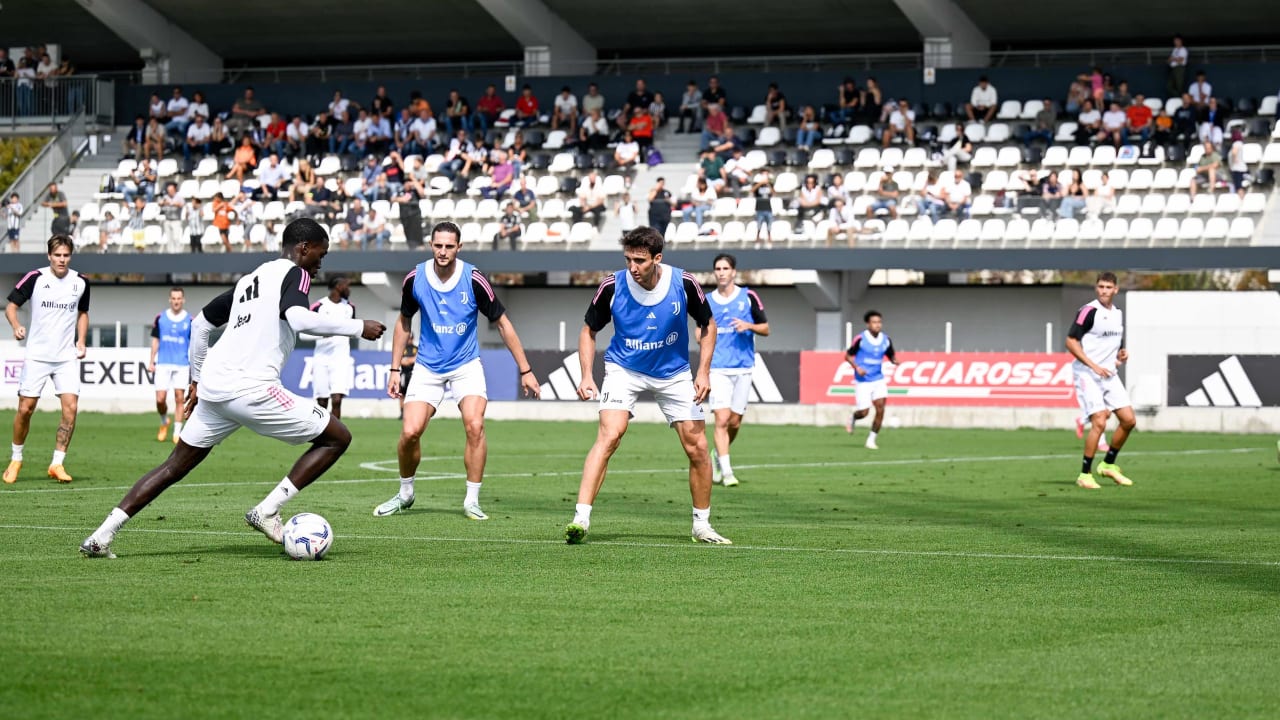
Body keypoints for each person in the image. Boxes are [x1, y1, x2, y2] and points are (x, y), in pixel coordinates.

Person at [79, 219, 387, 558]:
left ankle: (101, 536)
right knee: (337, 437)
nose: (320, 263)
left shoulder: (249, 281)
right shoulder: (294, 274)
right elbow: (299, 319)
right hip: (253, 389)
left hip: (214, 389)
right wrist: (358, 326)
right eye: (320, 253)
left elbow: (199, 326)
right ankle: (267, 510)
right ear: (303, 248)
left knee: (172, 467)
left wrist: (195, 380)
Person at [565, 227, 730, 545]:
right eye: (627, 259)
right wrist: (586, 374)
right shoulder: (612, 285)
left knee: (696, 448)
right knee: (610, 435)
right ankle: (580, 519)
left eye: (639, 260)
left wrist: (704, 372)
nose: (632, 267)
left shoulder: (684, 282)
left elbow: (707, 325)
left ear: (657, 258)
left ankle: (701, 525)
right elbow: (589, 330)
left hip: (674, 372)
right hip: (623, 369)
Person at [377, 222, 540, 520]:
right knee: (410, 432)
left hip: (466, 365)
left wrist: (525, 369)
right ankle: (405, 493)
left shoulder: (474, 278)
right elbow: (404, 322)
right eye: (438, 245)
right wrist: (394, 368)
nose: (443, 251)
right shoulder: (415, 278)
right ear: (431, 244)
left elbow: (502, 323)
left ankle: (472, 500)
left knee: (475, 426)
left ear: (459, 247)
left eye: (449, 246)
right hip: (427, 366)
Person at [4, 235, 90, 485]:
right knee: (25, 409)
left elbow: (83, 314)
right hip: (37, 356)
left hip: (65, 358)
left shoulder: (81, 282)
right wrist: (17, 325)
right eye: (57, 255)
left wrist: (81, 340)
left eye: (66, 255)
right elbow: (11, 306)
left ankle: (57, 463)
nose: (62, 260)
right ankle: (17, 457)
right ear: (49, 256)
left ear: (70, 256)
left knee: (71, 409)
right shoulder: (36, 278)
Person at [1066, 272, 1136, 490]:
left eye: (1108, 287)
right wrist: (1092, 365)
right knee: (1099, 420)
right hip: (1087, 374)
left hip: (1108, 374)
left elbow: (1116, 341)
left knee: (1129, 420)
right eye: (1101, 287)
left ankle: (1108, 465)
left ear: (1115, 290)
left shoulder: (1117, 314)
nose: (1104, 291)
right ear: (1097, 288)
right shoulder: (1088, 311)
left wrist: (1121, 355)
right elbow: (1071, 341)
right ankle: (1084, 474)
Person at [706, 254, 768, 488]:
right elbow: (701, 328)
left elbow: (766, 328)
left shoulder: (748, 296)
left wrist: (748, 326)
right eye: (718, 268)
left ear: (733, 272)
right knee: (721, 419)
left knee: (734, 422)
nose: (721, 272)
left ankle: (718, 455)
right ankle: (727, 470)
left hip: (743, 367)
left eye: (725, 268)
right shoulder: (707, 300)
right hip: (717, 368)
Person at [843, 310, 897, 450]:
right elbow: (848, 356)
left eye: (879, 322)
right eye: (874, 322)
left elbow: (890, 354)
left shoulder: (886, 340)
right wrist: (857, 367)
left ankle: (871, 440)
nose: (877, 325)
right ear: (868, 324)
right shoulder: (860, 339)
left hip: (878, 379)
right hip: (863, 380)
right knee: (864, 412)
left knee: (880, 409)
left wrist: (894, 360)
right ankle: (854, 417)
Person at [306, 277, 355, 419]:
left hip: (341, 359)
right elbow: (303, 334)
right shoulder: (318, 306)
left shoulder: (350, 308)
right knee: (322, 401)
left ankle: (336, 438)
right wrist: (322, 335)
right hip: (321, 359)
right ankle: (322, 434)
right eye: (347, 285)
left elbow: (352, 331)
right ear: (339, 286)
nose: (349, 289)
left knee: (337, 399)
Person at [149, 287, 192, 444]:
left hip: (181, 363)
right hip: (163, 363)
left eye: (179, 298)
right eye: (173, 298)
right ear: (170, 299)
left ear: (183, 300)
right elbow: (155, 340)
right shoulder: (161, 318)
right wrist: (151, 360)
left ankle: (177, 433)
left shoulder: (190, 320)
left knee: (179, 398)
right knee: (160, 400)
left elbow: (194, 344)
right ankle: (164, 421)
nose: (176, 301)